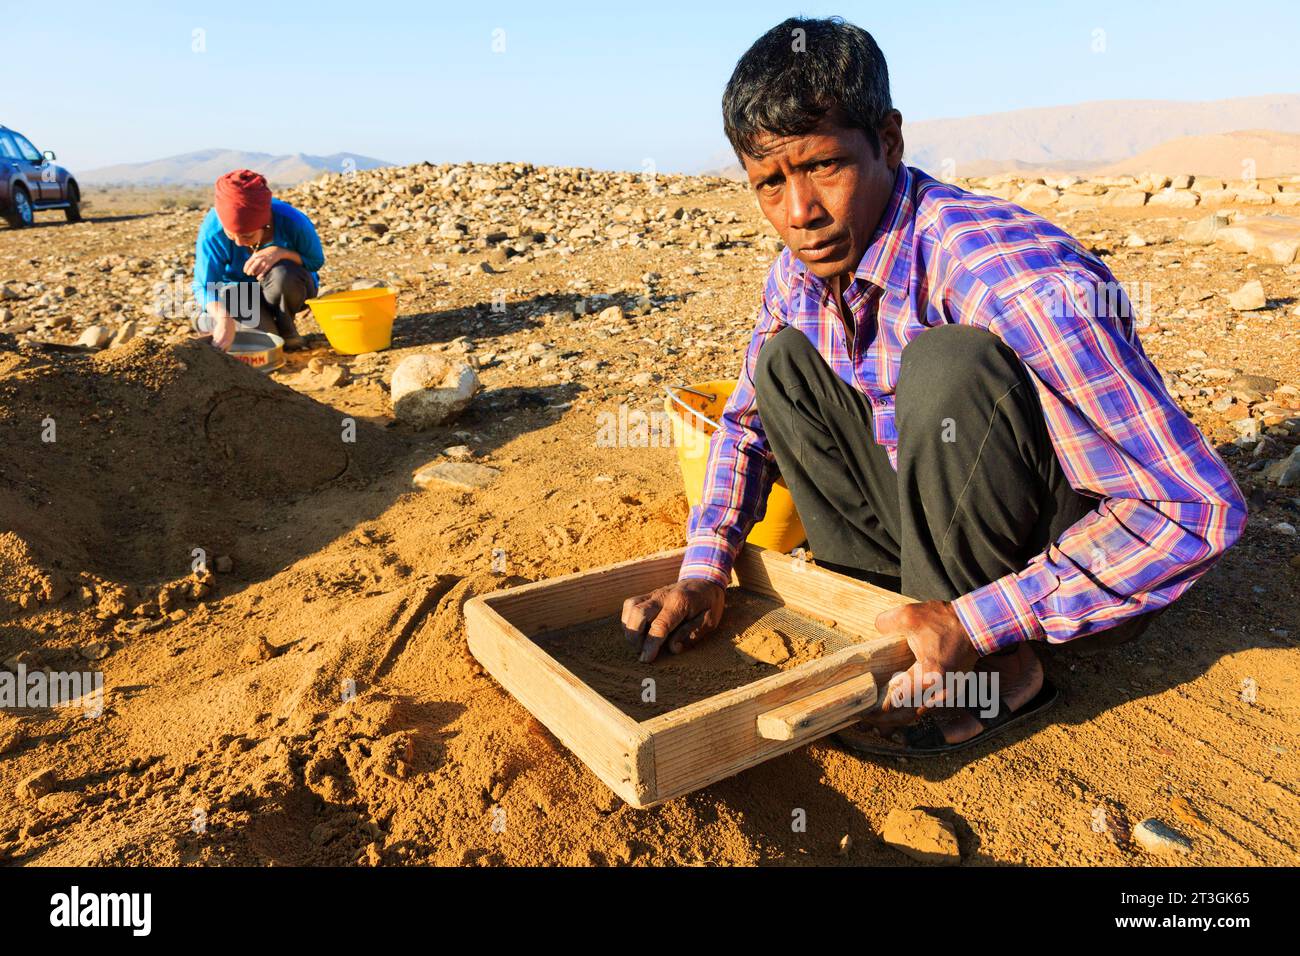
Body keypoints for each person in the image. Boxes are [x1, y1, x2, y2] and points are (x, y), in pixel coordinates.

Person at [620, 16, 1247, 756]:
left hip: (1055, 551)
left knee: (948, 365)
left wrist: (978, 620)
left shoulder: (1007, 276)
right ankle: (886, 628)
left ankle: (998, 674)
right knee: (785, 365)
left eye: (824, 167)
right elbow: (747, 424)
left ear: (888, 140)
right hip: (936, 513)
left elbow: (1193, 511)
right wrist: (705, 568)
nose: (801, 214)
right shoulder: (800, 269)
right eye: (770, 184)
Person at [191, 169, 324, 352]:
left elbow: (315, 262)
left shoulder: (292, 221)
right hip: (240, 296)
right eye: (231, 235)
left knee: (284, 274)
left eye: (247, 235)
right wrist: (223, 318)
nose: (238, 242)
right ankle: (218, 320)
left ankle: (288, 329)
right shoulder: (212, 231)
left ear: (265, 222)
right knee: (264, 342)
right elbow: (203, 285)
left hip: (288, 290)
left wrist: (281, 252)